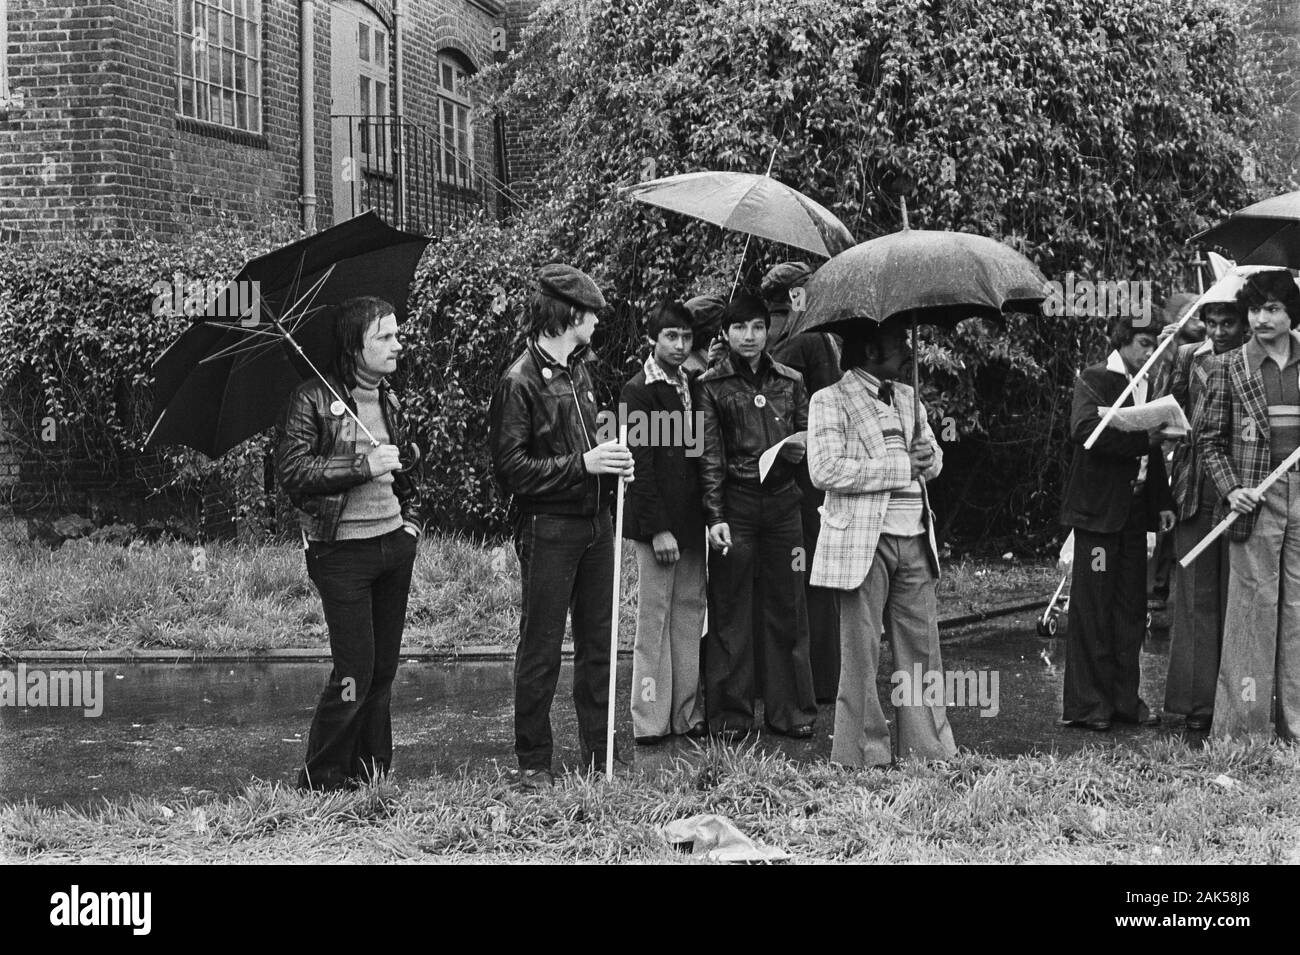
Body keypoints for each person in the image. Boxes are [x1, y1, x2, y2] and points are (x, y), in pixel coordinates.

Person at [488, 264, 635, 789]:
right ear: (571, 313)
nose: (598, 321)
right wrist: (585, 466)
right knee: (541, 647)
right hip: (548, 529)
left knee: (598, 644)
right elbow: (512, 472)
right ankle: (533, 764)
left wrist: (615, 462)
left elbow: (589, 444)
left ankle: (602, 755)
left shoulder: (581, 370)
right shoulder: (517, 381)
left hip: (596, 524)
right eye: (592, 313)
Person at [275, 296, 424, 791]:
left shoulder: (389, 399)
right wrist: (364, 465)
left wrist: (411, 526)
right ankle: (320, 780)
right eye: (383, 337)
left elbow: (408, 473)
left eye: (396, 334)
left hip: (392, 545)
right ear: (354, 346)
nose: (396, 345)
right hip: (340, 552)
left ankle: (371, 776)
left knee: (382, 671)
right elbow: (293, 472)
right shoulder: (310, 398)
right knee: (354, 670)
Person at [806, 316, 956, 767]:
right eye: (898, 342)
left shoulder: (909, 396)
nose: (909, 351)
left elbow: (932, 461)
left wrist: (929, 460)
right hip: (862, 544)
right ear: (871, 351)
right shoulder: (829, 400)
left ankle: (926, 752)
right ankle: (861, 757)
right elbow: (825, 470)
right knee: (861, 654)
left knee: (922, 651)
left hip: (915, 538)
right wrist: (901, 468)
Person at [696, 290, 818, 739]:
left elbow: (810, 438)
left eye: (758, 327)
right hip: (737, 506)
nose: (749, 336)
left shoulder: (791, 380)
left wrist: (801, 446)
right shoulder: (709, 385)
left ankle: (791, 713)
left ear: (770, 331)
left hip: (784, 504)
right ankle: (730, 715)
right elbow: (707, 456)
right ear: (725, 334)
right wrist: (714, 517)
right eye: (740, 328)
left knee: (788, 605)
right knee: (731, 608)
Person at [1059, 315, 1176, 732]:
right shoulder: (1095, 378)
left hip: (1133, 513)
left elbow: (1153, 451)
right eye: (1143, 344)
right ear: (1122, 341)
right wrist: (1144, 440)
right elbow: (1084, 430)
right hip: (1098, 514)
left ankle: (1126, 700)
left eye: (1153, 345)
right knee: (1093, 608)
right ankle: (1089, 705)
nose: (1149, 353)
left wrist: (1160, 500)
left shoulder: (1148, 382)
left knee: (1131, 608)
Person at [1197, 269, 1300, 741]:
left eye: (1272, 308)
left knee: (1297, 614)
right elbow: (1209, 442)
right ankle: (1244, 734)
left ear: (1290, 313)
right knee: (1252, 614)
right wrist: (1232, 488)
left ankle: (1295, 728)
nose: (1261, 318)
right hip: (1255, 500)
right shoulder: (1229, 366)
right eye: (1255, 309)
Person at [620, 302, 708, 744]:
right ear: (652, 340)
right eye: (671, 336)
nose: (679, 345)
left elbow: (695, 460)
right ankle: (650, 720)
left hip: (692, 526)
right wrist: (658, 529)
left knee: (689, 619)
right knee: (653, 622)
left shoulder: (691, 384)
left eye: (686, 337)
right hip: (657, 527)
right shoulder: (637, 391)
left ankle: (685, 714)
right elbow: (640, 465)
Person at [1161, 297, 1248, 730]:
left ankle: (1237, 703)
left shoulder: (1257, 361)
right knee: (1194, 596)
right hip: (1195, 488)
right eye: (1210, 322)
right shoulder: (1186, 357)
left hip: (1244, 488)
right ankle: (1194, 705)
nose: (1217, 331)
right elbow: (1166, 412)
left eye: (1227, 322)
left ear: (1245, 322)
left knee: (1236, 596)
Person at [762, 261, 843, 702]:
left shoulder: (775, 341)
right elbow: (829, 403)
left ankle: (803, 679)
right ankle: (820, 678)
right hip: (805, 475)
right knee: (813, 574)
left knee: (793, 576)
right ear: (796, 295)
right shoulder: (811, 339)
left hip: (780, 476)